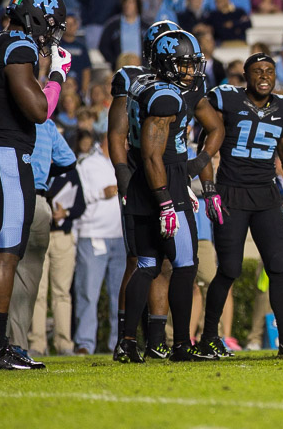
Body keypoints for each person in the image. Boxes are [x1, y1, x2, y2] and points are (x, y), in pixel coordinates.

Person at [0, 0, 71, 370]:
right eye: (49, 24)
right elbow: (39, 109)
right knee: (7, 255)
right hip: (5, 155)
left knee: (3, 253)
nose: (49, 34)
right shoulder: (18, 46)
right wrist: (57, 77)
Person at [117, 29, 225, 363]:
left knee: (147, 264)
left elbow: (215, 127)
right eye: (184, 64)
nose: (192, 71)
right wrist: (167, 198)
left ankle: (127, 343)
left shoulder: (141, 84)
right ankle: (180, 345)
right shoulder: (164, 96)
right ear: (166, 64)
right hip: (162, 179)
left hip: (145, 180)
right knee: (184, 265)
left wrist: (199, 166)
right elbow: (153, 156)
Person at [197, 53, 283, 358]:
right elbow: (205, 147)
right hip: (231, 193)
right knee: (229, 269)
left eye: (269, 71)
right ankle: (209, 337)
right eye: (257, 71)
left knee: (277, 267)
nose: (263, 76)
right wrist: (210, 189)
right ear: (245, 76)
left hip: (266, 196)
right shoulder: (226, 99)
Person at [108, 21, 180, 360]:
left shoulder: (182, 83)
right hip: (145, 176)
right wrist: (123, 175)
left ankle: (154, 339)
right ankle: (127, 337)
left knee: (160, 263)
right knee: (140, 260)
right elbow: (117, 132)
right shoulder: (134, 79)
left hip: (169, 174)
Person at [8, 117, 75, 355]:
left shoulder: (8, 118)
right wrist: (45, 169)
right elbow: (69, 160)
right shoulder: (46, 125)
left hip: (7, 196)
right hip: (36, 199)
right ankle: (18, 345)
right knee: (28, 279)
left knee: (2, 266)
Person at [72, 129, 124, 355]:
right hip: (93, 236)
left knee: (119, 296)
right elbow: (76, 195)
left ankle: (119, 342)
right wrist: (100, 193)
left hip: (120, 237)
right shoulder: (87, 164)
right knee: (87, 293)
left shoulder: (125, 162)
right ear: (107, 139)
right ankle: (85, 342)